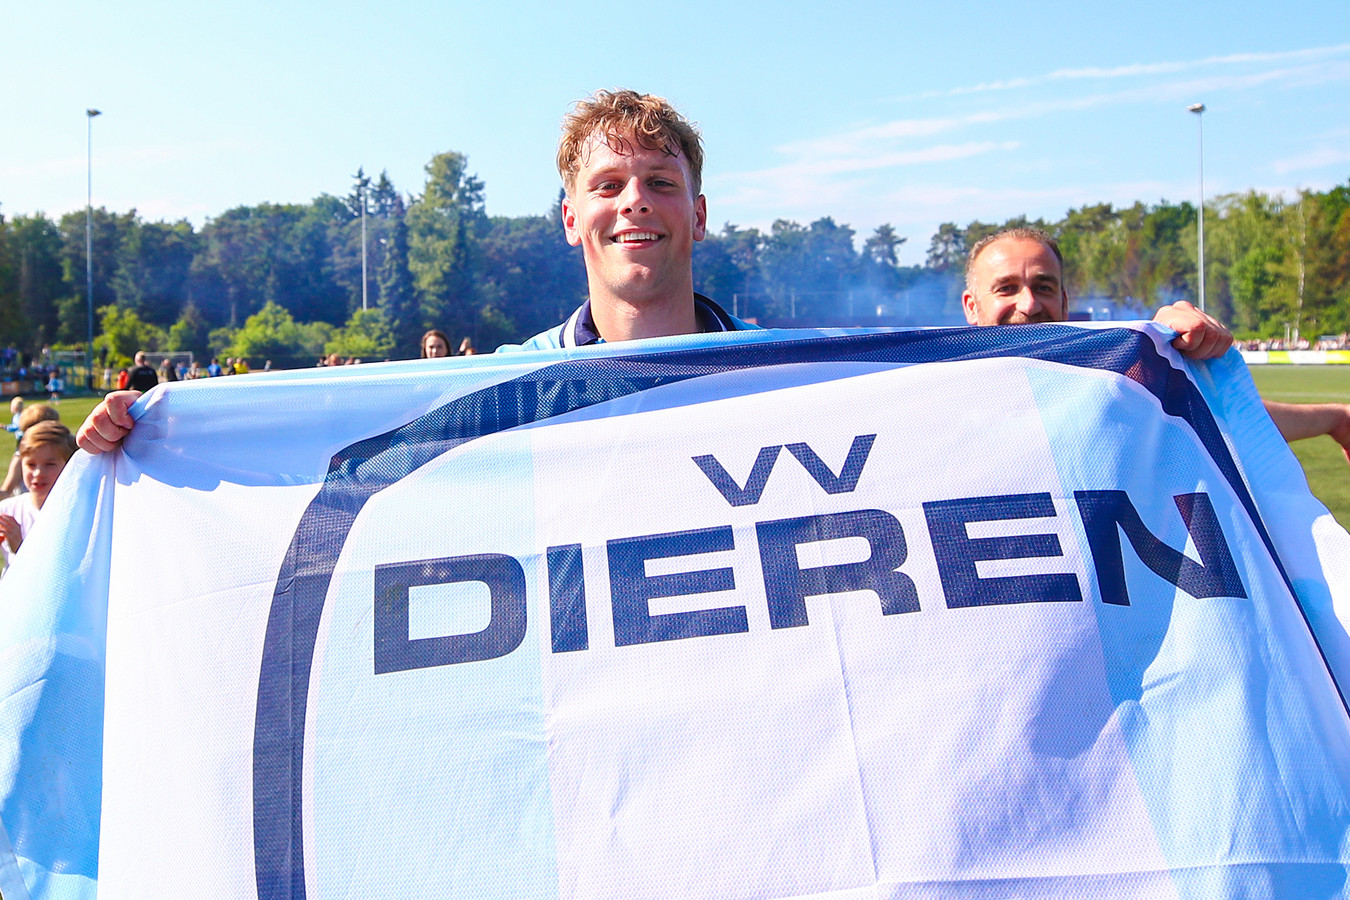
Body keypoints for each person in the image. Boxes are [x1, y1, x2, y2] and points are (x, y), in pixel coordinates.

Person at [76, 90, 1229, 452]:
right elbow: (327, 468)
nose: (639, 204)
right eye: (613, 186)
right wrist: (158, 439)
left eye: (662, 183)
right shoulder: (491, 395)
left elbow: (991, 412)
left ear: (701, 213)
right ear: (569, 216)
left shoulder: (790, 373)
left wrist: (1169, 358)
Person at [962, 227, 1350, 459]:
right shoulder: (928, 390)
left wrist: (1160, 343)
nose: (1028, 304)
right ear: (972, 306)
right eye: (1006, 288)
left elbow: (1220, 417)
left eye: (1043, 287)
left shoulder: (1108, 378)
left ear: (1064, 302)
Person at [0, 421, 78, 572]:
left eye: (49, 464)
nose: (38, 473)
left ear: (69, 465)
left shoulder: (76, 513)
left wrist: (22, 549)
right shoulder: (7, 510)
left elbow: (64, 571)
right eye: (30, 464)